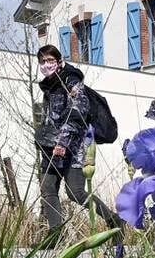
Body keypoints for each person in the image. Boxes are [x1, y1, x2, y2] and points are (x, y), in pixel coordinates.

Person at [34, 44, 122, 243]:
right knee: (47, 188)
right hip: (51, 147)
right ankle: (56, 234)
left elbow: (77, 113)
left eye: (50, 60)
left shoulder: (71, 81)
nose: (46, 65)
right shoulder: (49, 87)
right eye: (42, 61)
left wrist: (63, 142)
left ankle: (114, 220)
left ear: (59, 61)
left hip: (72, 148)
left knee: (75, 192)